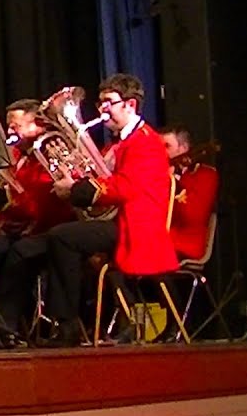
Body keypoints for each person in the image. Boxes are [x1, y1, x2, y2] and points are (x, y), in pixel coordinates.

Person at [40, 73, 177, 345]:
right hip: (120, 219)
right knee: (60, 237)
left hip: (136, 225)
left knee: (62, 237)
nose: (102, 110)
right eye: (100, 103)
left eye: (109, 103)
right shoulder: (120, 143)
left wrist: (76, 189)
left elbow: (125, 187)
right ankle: (73, 323)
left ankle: (67, 325)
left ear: (131, 105)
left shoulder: (146, 142)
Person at [0, 98, 83, 334]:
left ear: (37, 124)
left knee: (20, 251)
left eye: (15, 125)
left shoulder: (49, 152)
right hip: (30, 228)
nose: (10, 131)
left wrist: (12, 195)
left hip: (56, 228)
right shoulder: (20, 156)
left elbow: (46, 205)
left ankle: (4, 326)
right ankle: (1, 321)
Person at [162, 125, 219, 261]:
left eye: (167, 146)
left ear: (184, 149)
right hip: (157, 239)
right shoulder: (157, 174)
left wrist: (173, 182)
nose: (161, 152)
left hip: (183, 245)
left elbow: (192, 216)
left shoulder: (205, 175)